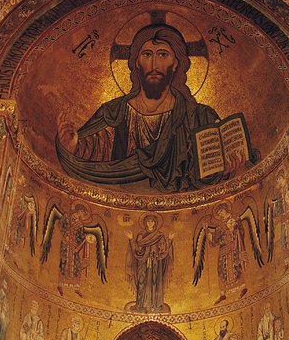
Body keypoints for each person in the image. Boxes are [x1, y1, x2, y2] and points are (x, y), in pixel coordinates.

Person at [56, 22, 225, 193]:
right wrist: (72, 147)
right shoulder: (113, 113)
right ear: (136, 62)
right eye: (147, 54)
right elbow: (90, 156)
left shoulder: (199, 117)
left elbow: (205, 174)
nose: (154, 64)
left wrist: (225, 169)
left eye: (163, 54)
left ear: (176, 63)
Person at [126, 214, 173, 311]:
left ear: (155, 223)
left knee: (155, 281)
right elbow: (137, 249)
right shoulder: (141, 235)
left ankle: (156, 304)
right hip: (143, 262)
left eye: (152, 221)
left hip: (156, 262)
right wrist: (131, 239)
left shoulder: (159, 235)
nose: (150, 223)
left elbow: (163, 250)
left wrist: (169, 240)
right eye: (148, 221)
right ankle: (141, 304)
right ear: (145, 223)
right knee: (142, 281)